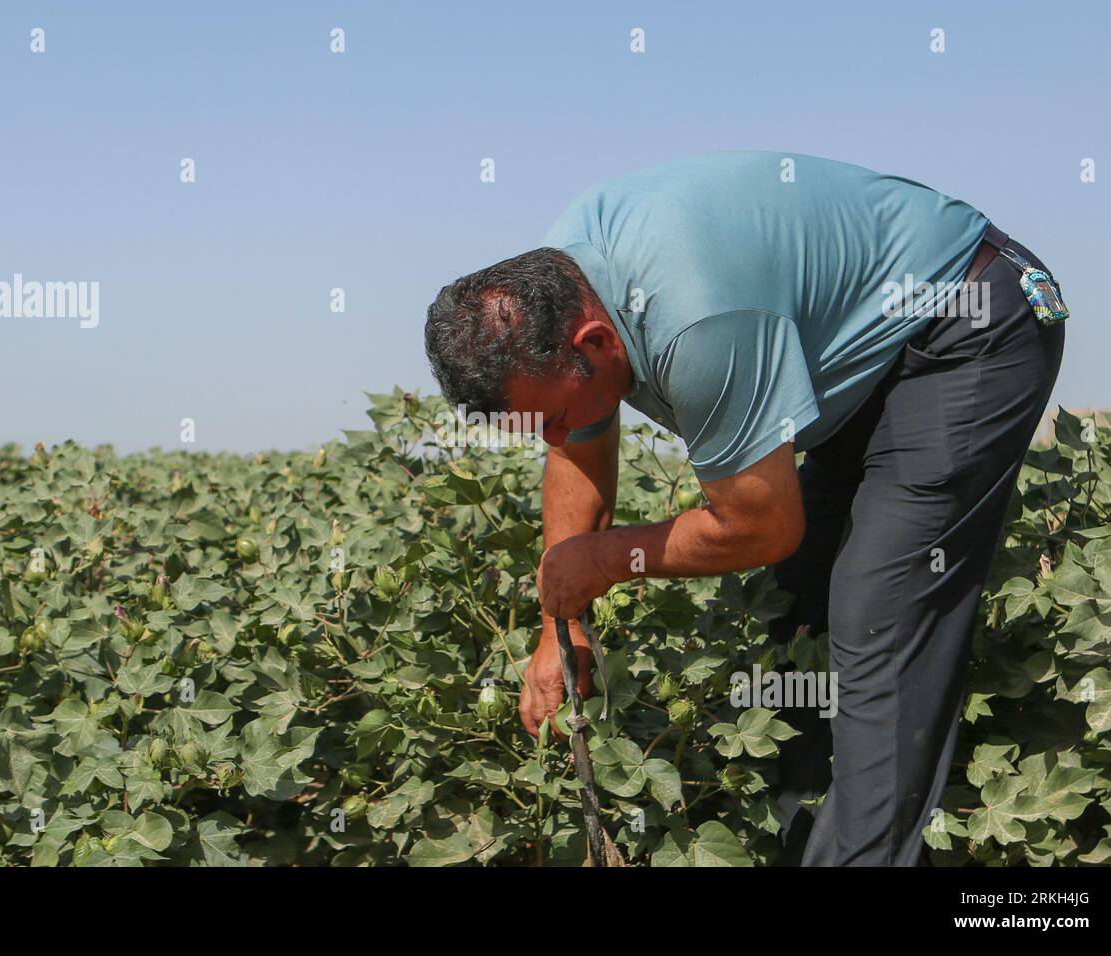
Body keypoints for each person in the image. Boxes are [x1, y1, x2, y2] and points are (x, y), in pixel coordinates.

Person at [423, 151, 1066, 865]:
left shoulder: (698, 320)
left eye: (554, 415)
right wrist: (557, 627)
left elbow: (760, 526)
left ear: (596, 343)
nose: (554, 439)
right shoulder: (566, 286)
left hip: (967, 322)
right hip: (855, 374)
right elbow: (580, 451)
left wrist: (606, 560)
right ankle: (798, 845)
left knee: (875, 610)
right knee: (797, 607)